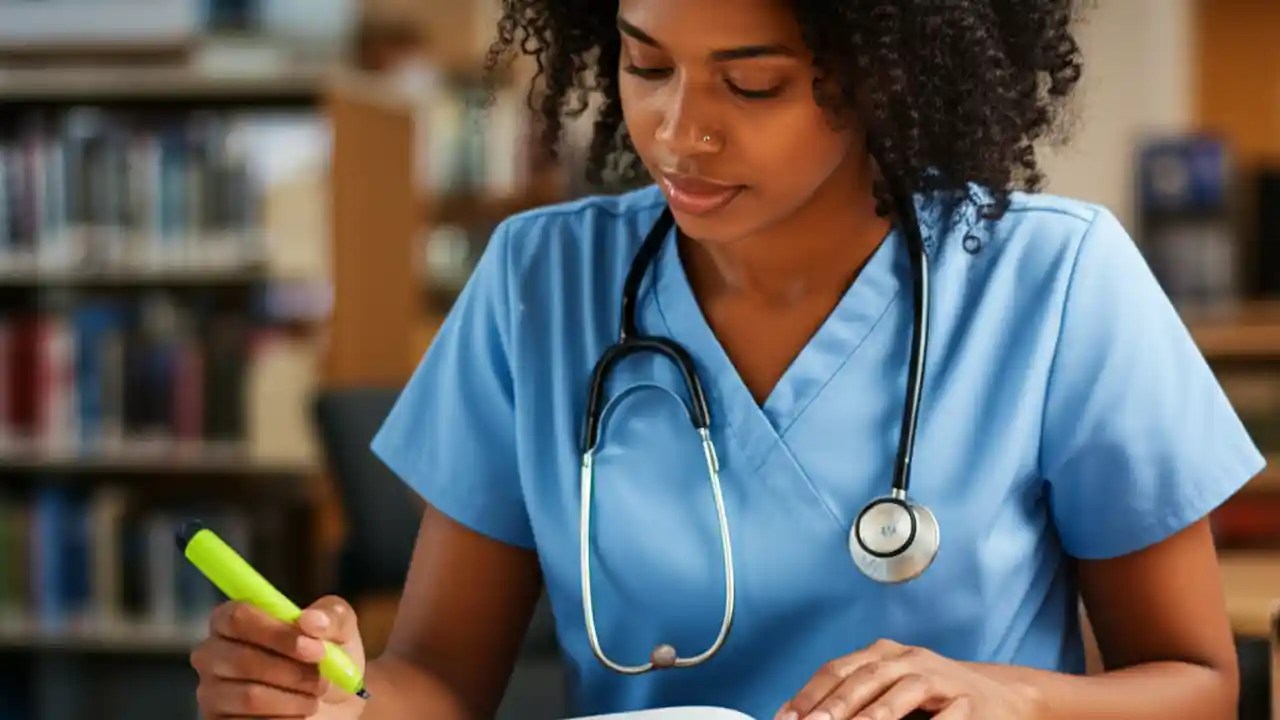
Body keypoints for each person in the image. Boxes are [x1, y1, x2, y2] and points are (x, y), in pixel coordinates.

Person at [190, 1, 1266, 718]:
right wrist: (331, 699)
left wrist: (1008, 698)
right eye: (644, 63)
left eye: (749, 86)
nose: (674, 131)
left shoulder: (1054, 282)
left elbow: (1196, 684)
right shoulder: (540, 280)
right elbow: (433, 677)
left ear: (885, 78)